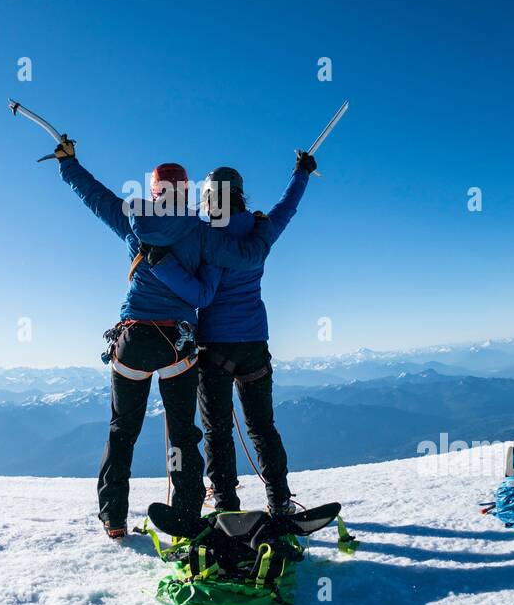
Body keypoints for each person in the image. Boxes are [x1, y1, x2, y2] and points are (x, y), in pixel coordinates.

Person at [51, 139, 279, 539]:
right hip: (179, 343)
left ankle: (114, 519)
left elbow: (95, 195)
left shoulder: (134, 219)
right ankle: (187, 515)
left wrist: (69, 164)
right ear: (187, 191)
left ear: (154, 193)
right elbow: (230, 272)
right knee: (182, 432)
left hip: (133, 340)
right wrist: (261, 230)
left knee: (123, 431)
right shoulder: (202, 233)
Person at [130, 151, 316, 516]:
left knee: (217, 431)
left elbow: (204, 290)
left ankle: (227, 505)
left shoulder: (205, 234)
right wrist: (302, 172)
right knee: (262, 426)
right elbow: (286, 207)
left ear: (209, 197)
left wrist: (158, 261)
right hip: (254, 344)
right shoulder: (261, 230)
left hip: (214, 345)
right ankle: (280, 500)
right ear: (240, 194)